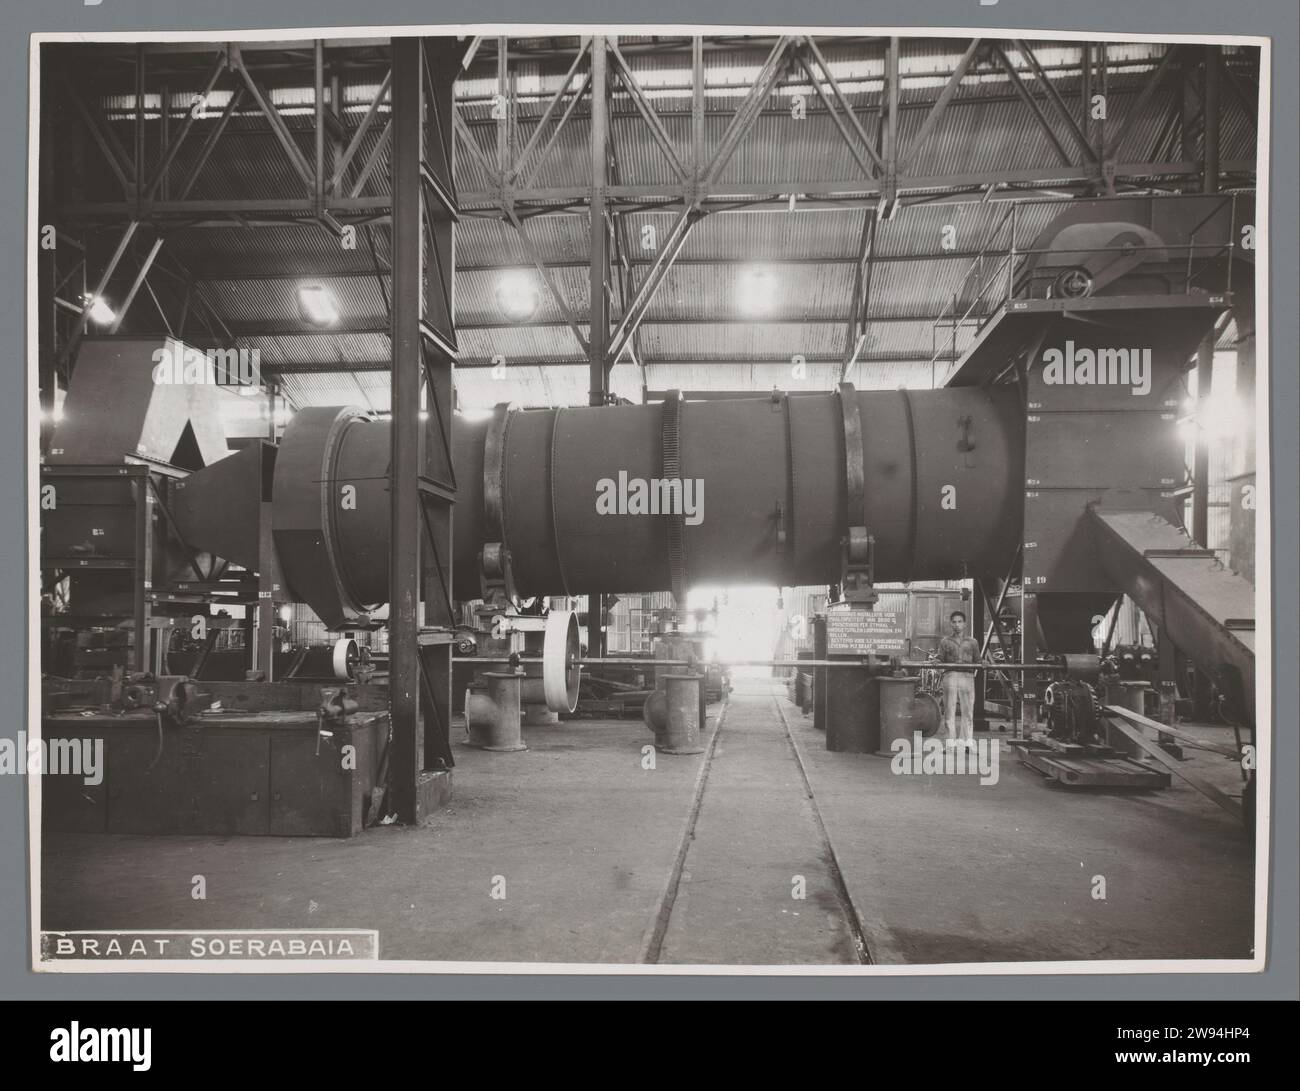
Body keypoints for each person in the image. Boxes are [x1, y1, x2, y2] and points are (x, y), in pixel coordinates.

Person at [937, 610, 981, 747]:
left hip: (967, 676)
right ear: (951, 624)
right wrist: (937, 662)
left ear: (965, 624)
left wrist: (983, 662)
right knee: (949, 710)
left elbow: (978, 659)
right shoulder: (945, 642)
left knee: (968, 711)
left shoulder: (972, 642)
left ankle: (967, 742)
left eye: (959, 622)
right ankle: (950, 743)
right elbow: (940, 658)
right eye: (954, 622)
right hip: (950, 676)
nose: (957, 624)